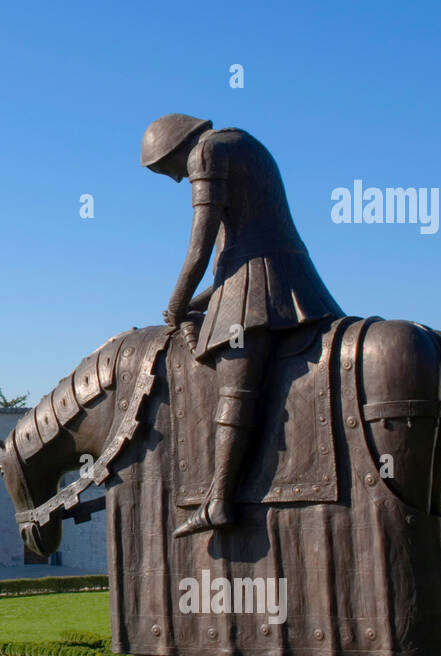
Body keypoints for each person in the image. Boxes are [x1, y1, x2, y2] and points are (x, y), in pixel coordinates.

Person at [142, 114, 343, 537]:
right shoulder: (239, 143)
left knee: (235, 385)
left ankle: (218, 500)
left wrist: (177, 302)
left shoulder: (207, 152)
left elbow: (199, 246)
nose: (176, 180)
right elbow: (226, 269)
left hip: (261, 283)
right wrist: (191, 307)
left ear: (175, 148)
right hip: (268, 275)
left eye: (167, 170)